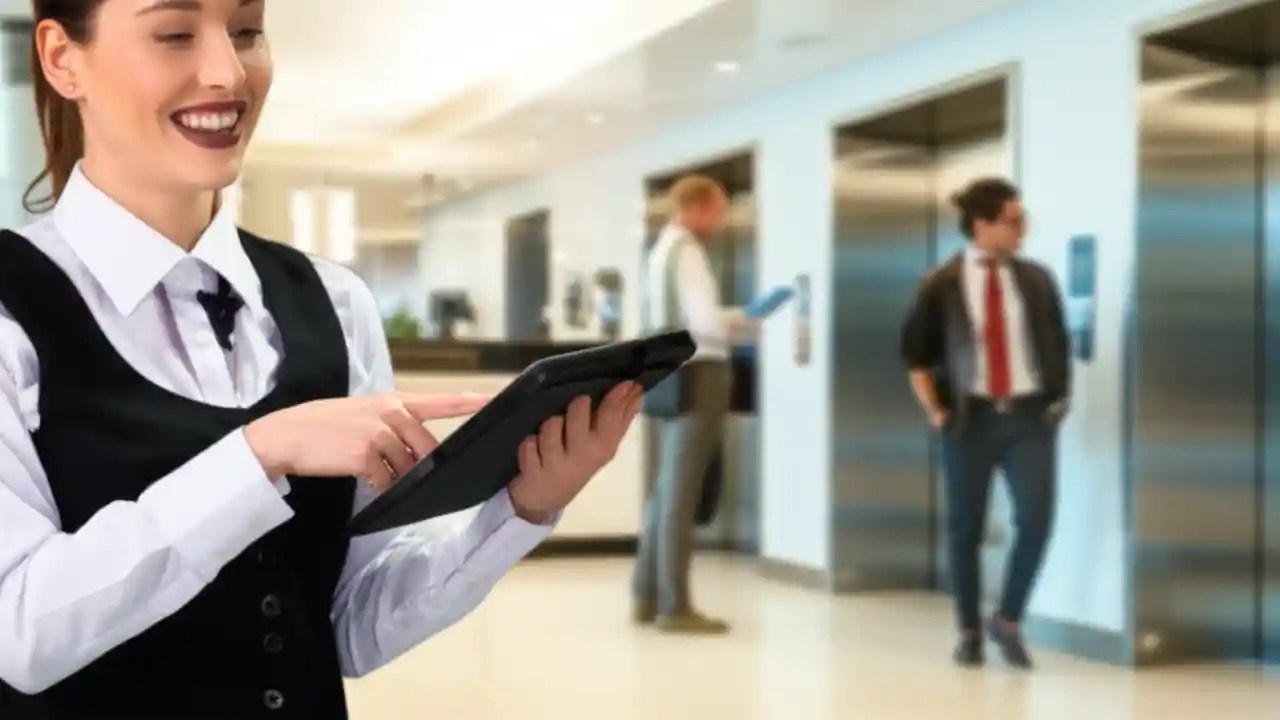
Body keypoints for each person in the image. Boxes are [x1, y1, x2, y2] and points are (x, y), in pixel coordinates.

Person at [0, 1, 644, 717]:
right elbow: (18, 633)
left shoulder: (336, 303)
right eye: (175, 34)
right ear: (61, 59)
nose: (227, 72)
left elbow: (349, 626)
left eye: (247, 31)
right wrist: (260, 452)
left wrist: (522, 510)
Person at [899, 177, 1070, 670]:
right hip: (969, 422)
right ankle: (969, 630)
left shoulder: (1036, 279)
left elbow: (1055, 341)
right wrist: (935, 411)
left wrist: (1057, 401)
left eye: (1023, 219)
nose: (1023, 230)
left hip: (1029, 418)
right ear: (983, 225)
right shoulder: (940, 284)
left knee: (1037, 521)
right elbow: (916, 357)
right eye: (1014, 221)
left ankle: (1008, 619)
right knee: (965, 529)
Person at [632, 174, 757, 635]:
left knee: (668, 489)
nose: (721, 221)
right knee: (681, 493)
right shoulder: (687, 251)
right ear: (698, 207)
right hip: (699, 374)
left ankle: (646, 596)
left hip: (668, 377)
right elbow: (703, 322)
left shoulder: (661, 250)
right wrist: (745, 322)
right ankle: (675, 605)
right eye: (719, 210)